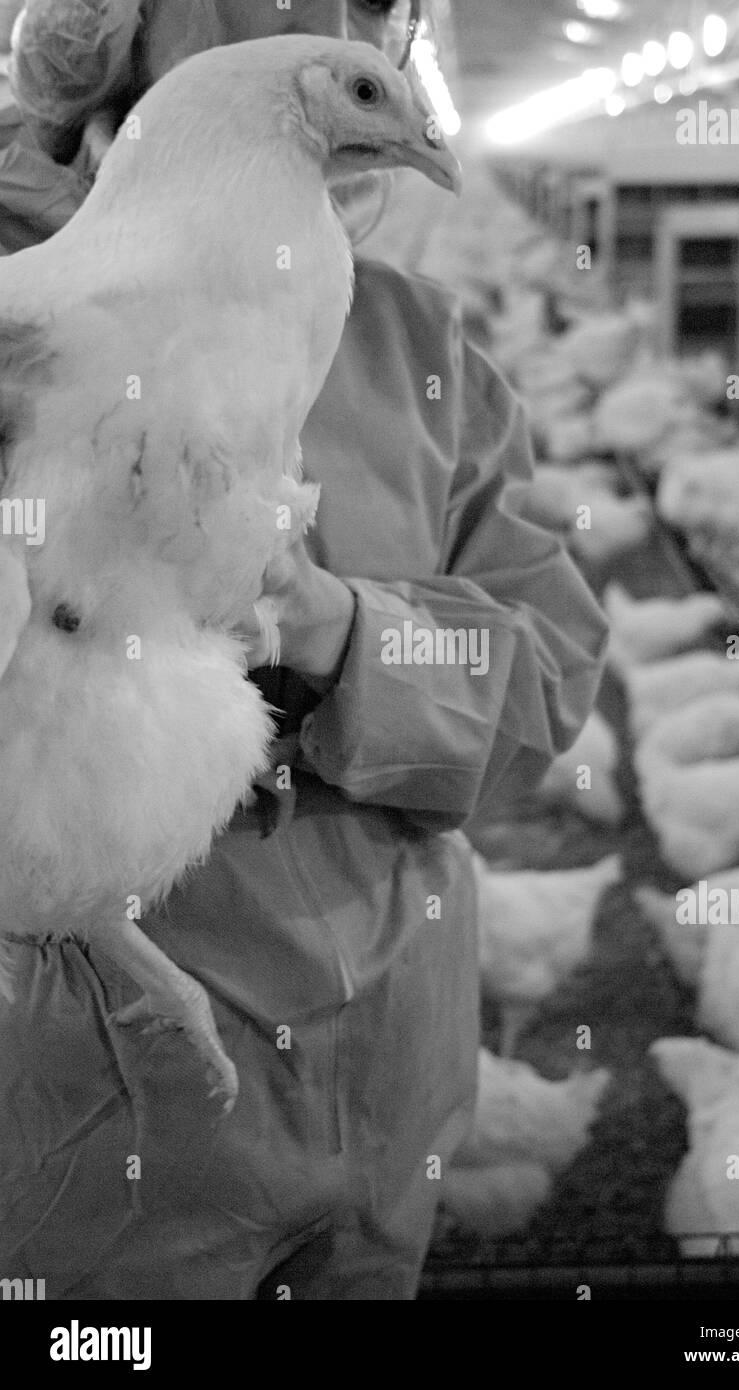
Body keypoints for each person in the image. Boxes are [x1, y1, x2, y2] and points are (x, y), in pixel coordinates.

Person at [0, 0, 608, 1300]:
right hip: (96, 1127)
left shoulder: (415, 345)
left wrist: (343, 632)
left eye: (363, 11)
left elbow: (549, 681)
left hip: (387, 1092)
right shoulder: (26, 334)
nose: (321, 22)